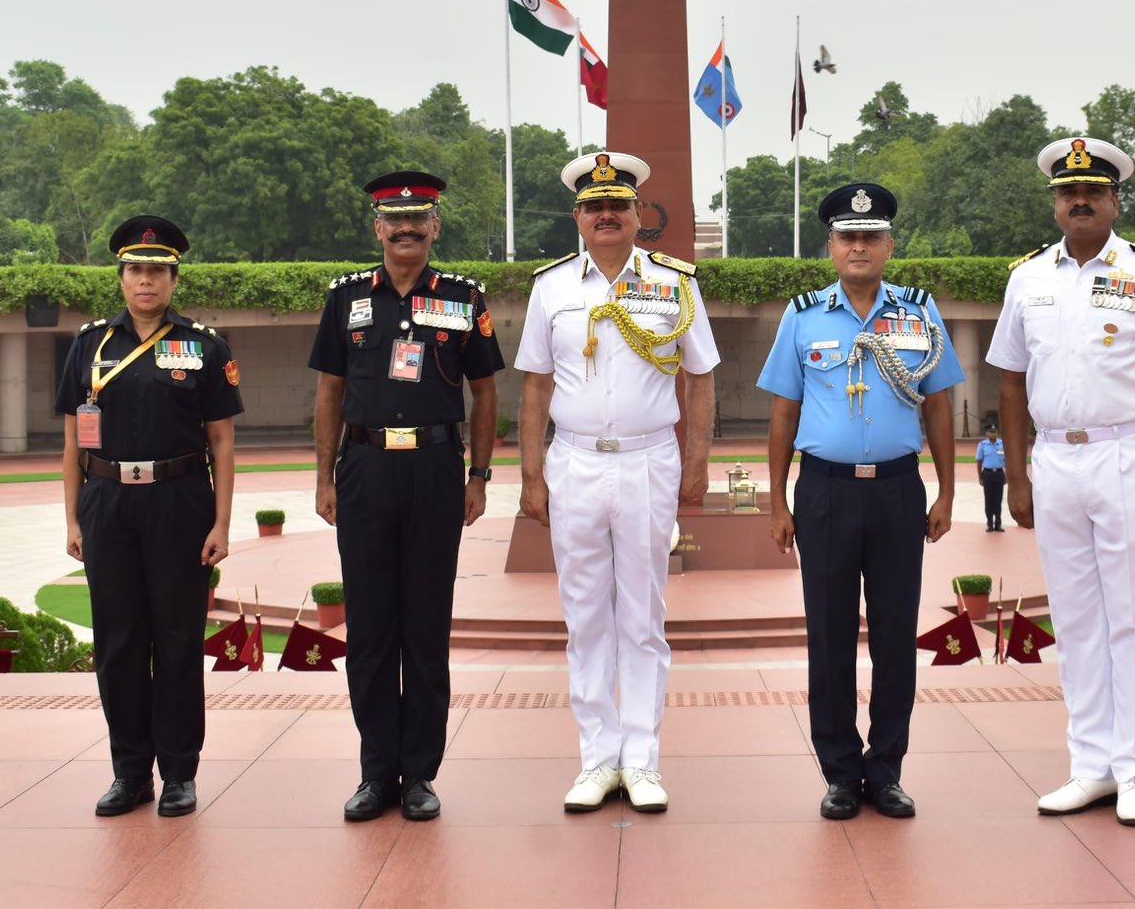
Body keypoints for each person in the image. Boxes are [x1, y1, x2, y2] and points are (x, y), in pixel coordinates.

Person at [986, 137, 1135, 828]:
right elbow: (1009, 379)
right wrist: (1019, 478)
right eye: (1066, 192)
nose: (1078, 201)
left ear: (1115, 201)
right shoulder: (1027, 279)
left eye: (1092, 192)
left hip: (1133, 455)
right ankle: (1091, 767)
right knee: (1078, 619)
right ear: (1055, 203)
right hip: (1056, 460)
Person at [515, 152, 717, 815]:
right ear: (577, 217)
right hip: (572, 462)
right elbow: (537, 385)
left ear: (638, 216)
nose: (606, 215)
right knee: (585, 615)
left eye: (618, 205)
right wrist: (531, 476)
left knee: (643, 615)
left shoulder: (673, 283)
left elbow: (701, 376)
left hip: (648, 461)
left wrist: (695, 462)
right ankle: (597, 758)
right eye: (594, 206)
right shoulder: (551, 288)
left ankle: (643, 759)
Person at [759, 183, 961, 821]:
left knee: (897, 636)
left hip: (900, 489)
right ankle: (841, 775)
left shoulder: (919, 312)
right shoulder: (803, 315)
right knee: (829, 636)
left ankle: (888, 769)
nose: (859, 246)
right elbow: (783, 412)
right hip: (824, 492)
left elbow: (938, 403)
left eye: (871, 237)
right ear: (830, 246)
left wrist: (949, 490)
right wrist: (777, 502)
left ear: (889, 245)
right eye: (848, 237)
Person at [311, 172, 503, 824]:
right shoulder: (345, 300)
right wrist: (323, 475)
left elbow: (486, 393)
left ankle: (419, 774)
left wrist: (479, 475)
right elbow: (329, 392)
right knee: (369, 632)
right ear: (377, 228)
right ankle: (375, 774)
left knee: (424, 629)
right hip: (363, 467)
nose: (406, 230)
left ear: (435, 228)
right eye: (394, 220)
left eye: (419, 220)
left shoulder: (462, 299)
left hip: (435, 470)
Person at [56, 215, 240, 819]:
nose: (146, 281)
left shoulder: (205, 345)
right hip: (108, 502)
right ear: (120, 278)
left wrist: (221, 523)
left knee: (180, 640)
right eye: (136, 270)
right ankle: (129, 772)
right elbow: (71, 444)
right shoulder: (88, 345)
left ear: (173, 278)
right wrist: (73, 521)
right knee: (119, 642)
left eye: (157, 271)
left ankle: (179, 773)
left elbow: (222, 443)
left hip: (180, 500)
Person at [977, 423, 1007, 531]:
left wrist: (1006, 475)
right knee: (989, 500)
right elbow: (979, 461)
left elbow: (1006, 461)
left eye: (995, 432)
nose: (993, 434)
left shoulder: (1002, 444)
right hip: (988, 474)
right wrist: (980, 476)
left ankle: (998, 524)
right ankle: (990, 523)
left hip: (999, 473)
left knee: (998, 500)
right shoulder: (982, 445)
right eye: (991, 432)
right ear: (987, 433)